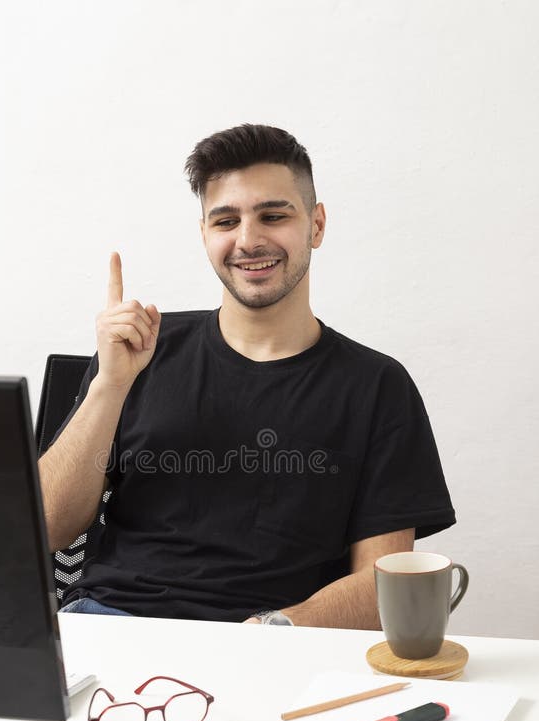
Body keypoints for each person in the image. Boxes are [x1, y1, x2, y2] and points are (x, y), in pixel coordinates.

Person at [38, 123, 455, 627]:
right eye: (226, 221)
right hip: (114, 625)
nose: (248, 240)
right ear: (205, 234)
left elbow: (382, 581)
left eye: (273, 216)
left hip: (275, 643)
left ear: (316, 225)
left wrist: (275, 630)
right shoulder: (139, 352)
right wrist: (109, 386)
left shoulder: (377, 386)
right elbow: (48, 527)